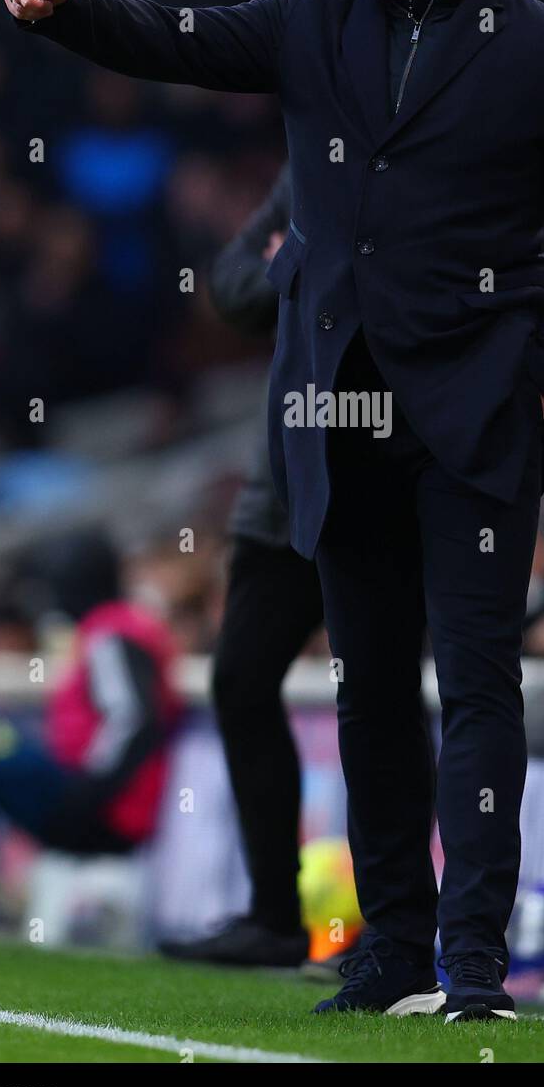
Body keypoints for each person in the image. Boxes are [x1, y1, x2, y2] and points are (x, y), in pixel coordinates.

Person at [4, 0, 544, 1021]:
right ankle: (393, 944)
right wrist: (72, 6)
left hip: (477, 410)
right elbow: (184, 40)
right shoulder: (313, 9)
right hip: (338, 404)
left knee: (473, 684)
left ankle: (471, 968)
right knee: (366, 690)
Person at [160, 163, 326, 969]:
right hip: (284, 482)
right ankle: (273, 915)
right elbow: (232, 291)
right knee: (240, 679)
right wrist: (305, 258)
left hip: (390, 478)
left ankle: (410, 929)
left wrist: (285, 258)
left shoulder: (423, 150)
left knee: (385, 694)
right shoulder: (308, 165)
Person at [0, 529, 185, 903]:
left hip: (99, 809)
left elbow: (135, 719)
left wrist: (87, 793)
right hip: (95, 799)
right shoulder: (116, 626)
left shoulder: (114, 632)